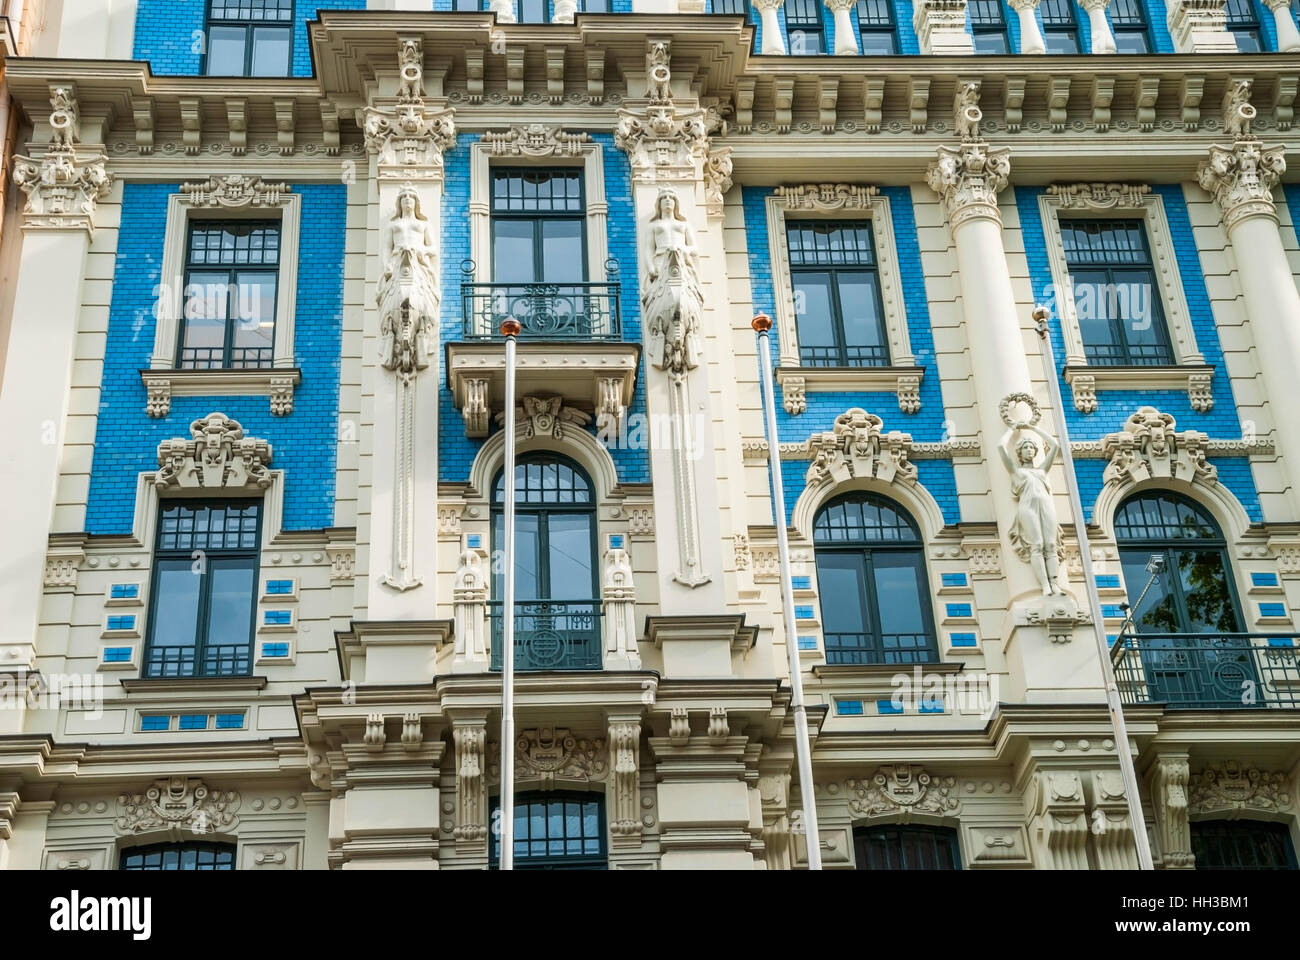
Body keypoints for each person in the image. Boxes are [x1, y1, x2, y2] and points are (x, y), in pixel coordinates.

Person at [999, 422, 1064, 597]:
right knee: (1037, 545)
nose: (1028, 450)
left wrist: (1033, 428)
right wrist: (1012, 429)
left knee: (1051, 545)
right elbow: (1000, 447)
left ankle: (1055, 583)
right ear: (1019, 452)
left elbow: (1055, 445)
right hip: (1027, 508)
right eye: (1025, 447)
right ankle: (1045, 586)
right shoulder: (1016, 472)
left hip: (1046, 506)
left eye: (1031, 447)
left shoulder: (1042, 470)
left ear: (1035, 451)